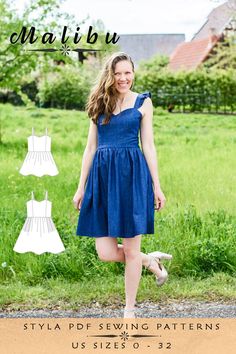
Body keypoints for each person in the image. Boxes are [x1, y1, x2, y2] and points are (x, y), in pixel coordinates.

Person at [73, 52, 172, 319]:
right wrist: (81, 186)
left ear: (133, 73)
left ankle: (129, 310)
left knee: (130, 249)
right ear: (110, 74)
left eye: (128, 73)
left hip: (132, 177)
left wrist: (157, 186)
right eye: (118, 73)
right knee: (106, 253)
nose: (123, 78)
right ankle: (149, 260)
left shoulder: (143, 102)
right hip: (102, 178)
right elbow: (90, 147)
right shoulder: (98, 102)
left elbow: (148, 146)